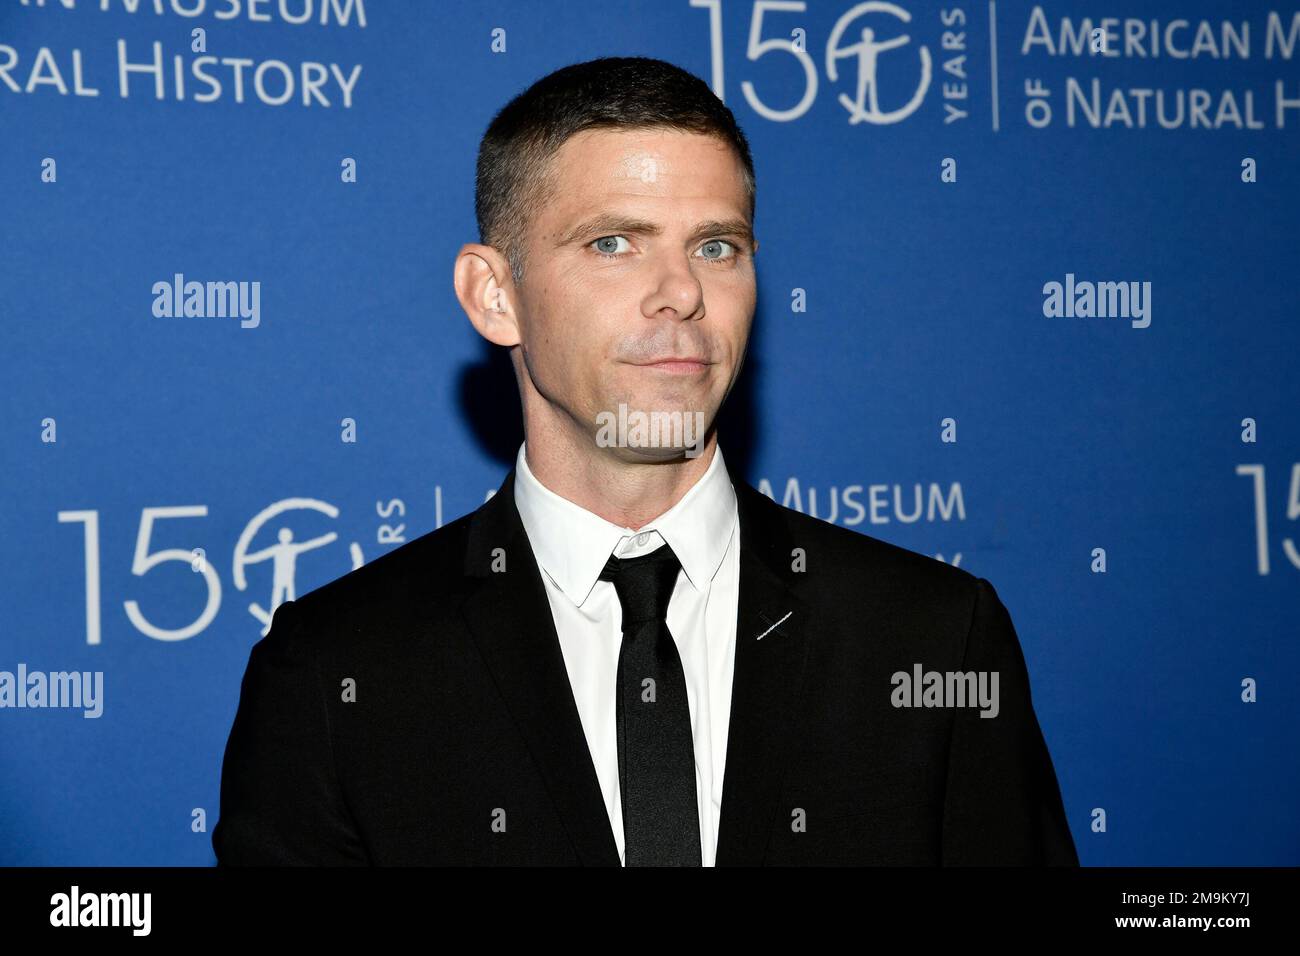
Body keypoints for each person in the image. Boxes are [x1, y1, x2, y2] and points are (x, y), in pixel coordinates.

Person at [212, 55, 1078, 866]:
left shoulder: (933, 634)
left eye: (716, 247)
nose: (683, 291)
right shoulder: (336, 674)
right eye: (614, 243)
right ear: (496, 295)